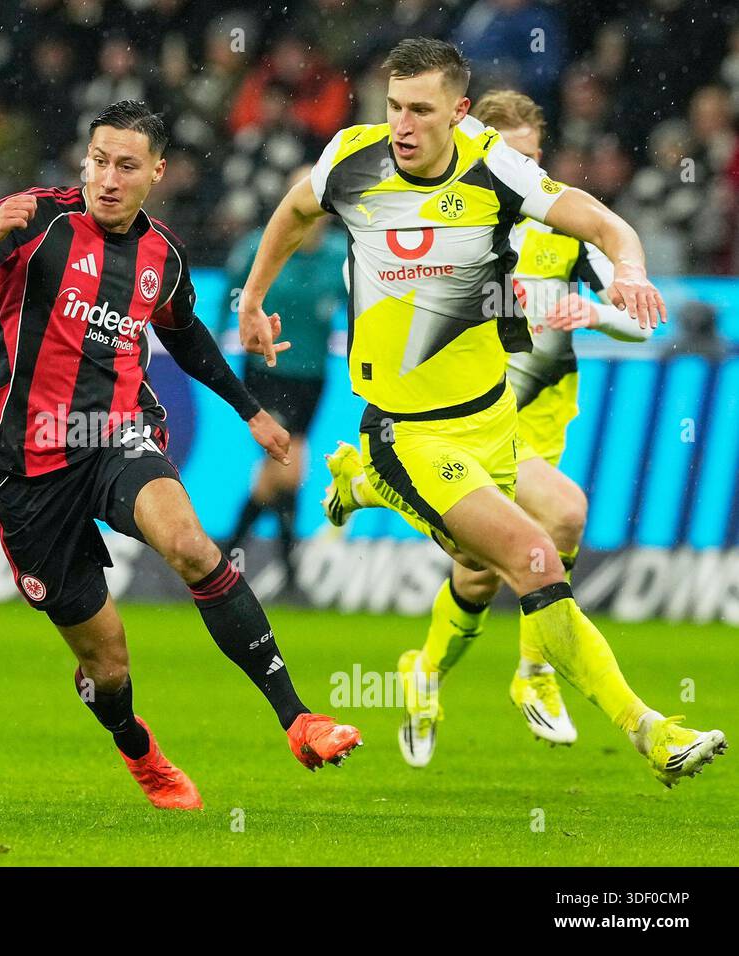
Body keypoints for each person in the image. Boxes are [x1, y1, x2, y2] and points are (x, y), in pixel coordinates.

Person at [239, 39, 725, 787]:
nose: (402, 124)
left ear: (458, 113)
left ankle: (359, 484)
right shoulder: (352, 158)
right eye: (394, 106)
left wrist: (627, 269)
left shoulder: (492, 165)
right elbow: (296, 208)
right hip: (410, 430)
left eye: (421, 110)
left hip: (493, 419)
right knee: (532, 557)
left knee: (517, 544)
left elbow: (595, 216)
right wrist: (252, 296)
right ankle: (650, 731)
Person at [0, 100, 362, 810]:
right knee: (105, 662)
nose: (107, 179)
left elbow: (185, 335)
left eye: (126, 166)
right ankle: (136, 747)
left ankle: (298, 718)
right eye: (98, 162)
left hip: (116, 436)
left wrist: (251, 412)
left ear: (157, 173)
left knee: (192, 545)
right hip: (27, 469)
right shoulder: (29, 221)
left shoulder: (163, 256)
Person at [320, 88, 656, 766]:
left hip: (537, 423)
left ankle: (424, 671)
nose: (531, 174)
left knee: (476, 575)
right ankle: (537, 674)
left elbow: (639, 322)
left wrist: (598, 312)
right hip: (471, 426)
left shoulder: (562, 234)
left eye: (537, 158)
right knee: (562, 515)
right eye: (518, 159)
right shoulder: (453, 231)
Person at [219, 167, 347, 586]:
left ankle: (226, 555)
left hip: (313, 378)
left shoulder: (337, 258)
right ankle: (287, 567)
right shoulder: (261, 245)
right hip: (267, 372)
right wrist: (224, 338)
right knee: (287, 466)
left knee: (286, 469)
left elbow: (362, 306)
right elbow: (232, 292)